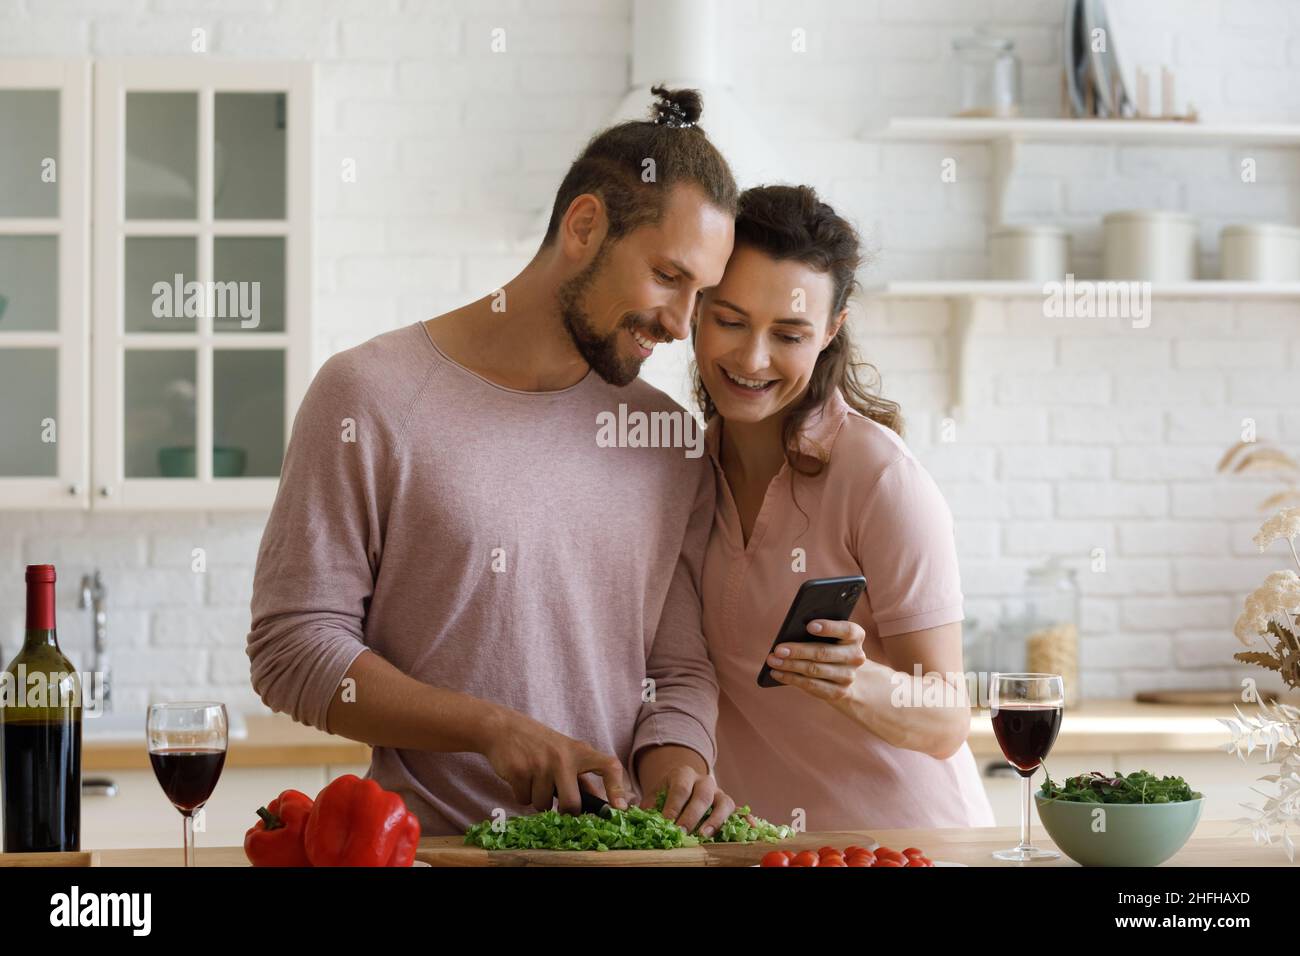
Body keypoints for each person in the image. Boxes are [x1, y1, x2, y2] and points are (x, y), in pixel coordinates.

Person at [246, 88, 742, 836]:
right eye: (668, 277)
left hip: (613, 855)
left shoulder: (667, 440)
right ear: (584, 226)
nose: (680, 324)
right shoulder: (369, 396)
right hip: (429, 853)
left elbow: (674, 674)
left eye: (700, 294)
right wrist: (490, 727)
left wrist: (680, 770)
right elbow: (292, 648)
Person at [693, 184, 995, 830]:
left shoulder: (879, 478)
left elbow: (948, 716)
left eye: (790, 334)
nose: (752, 358)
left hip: (912, 842)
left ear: (831, 331)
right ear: (697, 306)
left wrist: (856, 681)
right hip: (773, 845)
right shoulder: (685, 478)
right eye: (730, 320)